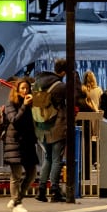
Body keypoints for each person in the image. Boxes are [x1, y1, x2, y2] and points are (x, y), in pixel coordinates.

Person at [0, 78, 38, 212]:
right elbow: (15, 120)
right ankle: (17, 203)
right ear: (17, 90)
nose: (25, 91)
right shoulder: (11, 104)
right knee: (16, 175)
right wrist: (24, 106)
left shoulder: (31, 104)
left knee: (32, 173)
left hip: (27, 143)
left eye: (27, 88)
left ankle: (17, 199)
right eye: (22, 88)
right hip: (14, 142)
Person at [32, 57, 68, 203]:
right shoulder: (60, 86)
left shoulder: (39, 83)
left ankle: (41, 189)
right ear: (64, 72)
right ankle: (55, 189)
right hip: (57, 126)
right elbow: (77, 95)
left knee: (48, 157)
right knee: (57, 158)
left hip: (42, 126)